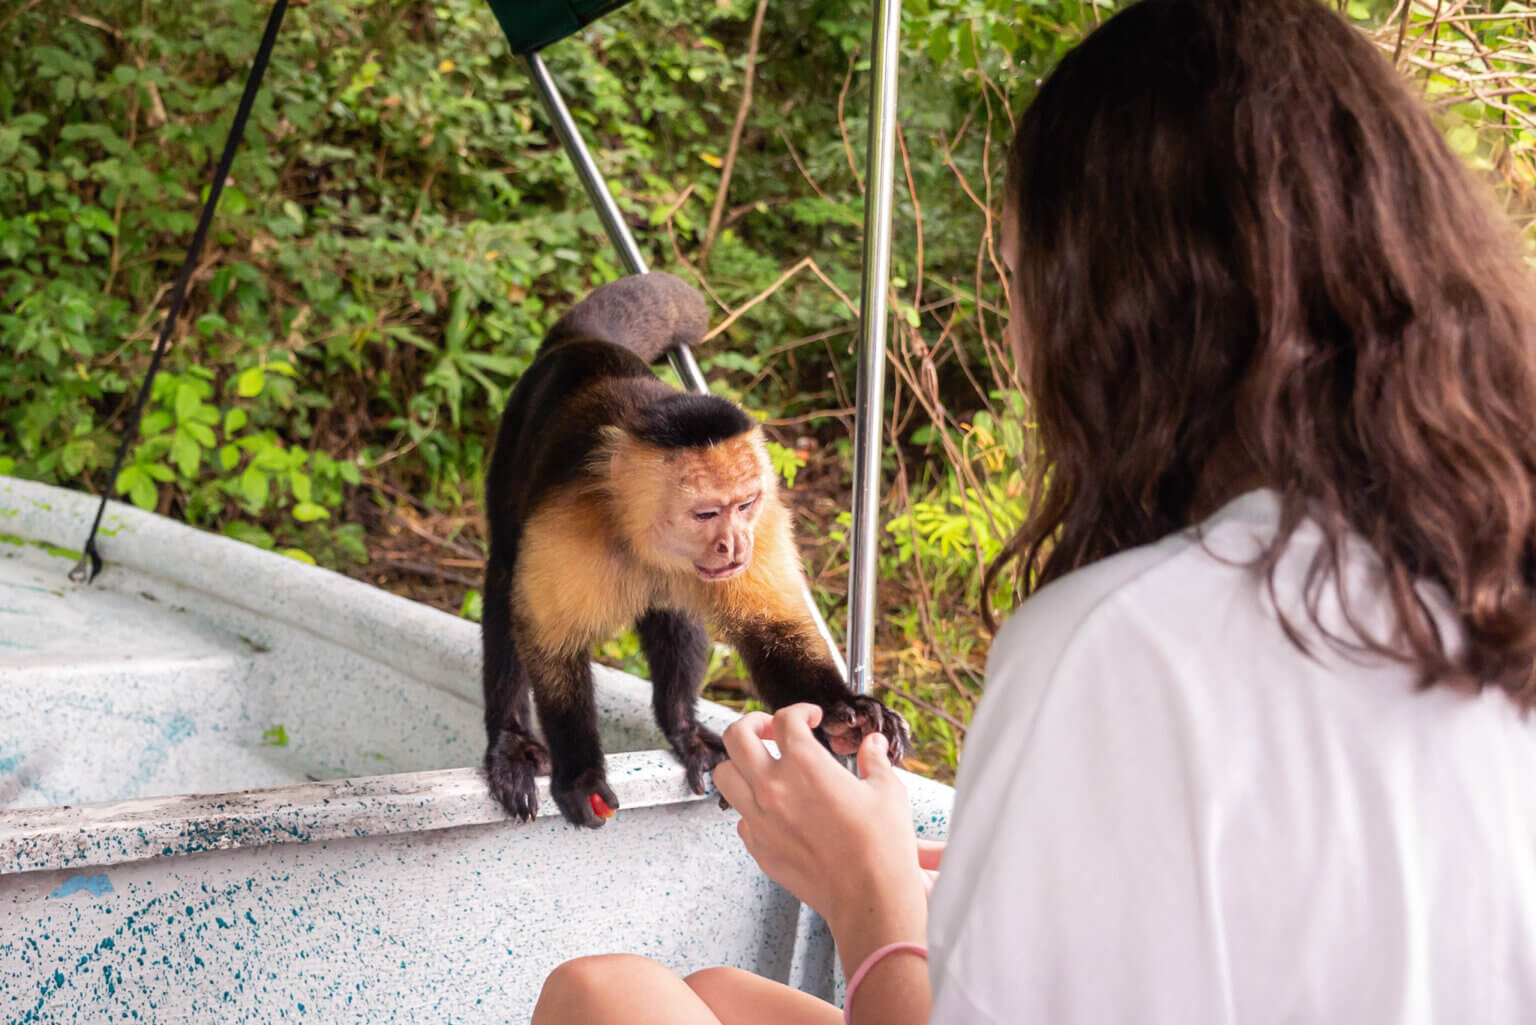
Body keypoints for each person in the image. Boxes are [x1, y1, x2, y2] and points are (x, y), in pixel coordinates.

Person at [530, 0, 1536, 1020]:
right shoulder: (1485, 556)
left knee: (604, 1001)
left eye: (1016, 273)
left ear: (1110, 313)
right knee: (700, 993)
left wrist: (863, 890)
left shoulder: (1127, 639)